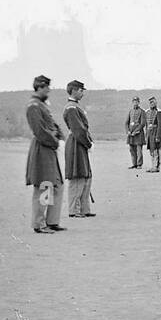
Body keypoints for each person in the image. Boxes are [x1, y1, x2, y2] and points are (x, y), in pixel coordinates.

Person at [26, 75, 66, 233]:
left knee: (56, 185)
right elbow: (40, 131)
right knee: (44, 186)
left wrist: (60, 138)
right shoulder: (34, 106)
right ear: (40, 87)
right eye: (46, 87)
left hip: (50, 149)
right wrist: (55, 142)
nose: (49, 90)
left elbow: (53, 125)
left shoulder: (40, 105)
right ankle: (39, 224)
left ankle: (51, 222)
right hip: (43, 149)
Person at [63, 80, 95, 218]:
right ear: (74, 90)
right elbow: (79, 130)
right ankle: (74, 210)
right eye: (81, 90)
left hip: (79, 143)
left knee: (85, 175)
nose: (83, 93)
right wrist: (89, 143)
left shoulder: (75, 107)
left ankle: (84, 209)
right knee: (78, 176)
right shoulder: (71, 108)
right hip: (76, 143)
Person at [144, 96, 161, 173]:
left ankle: (156, 167)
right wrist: (146, 135)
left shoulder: (159, 112)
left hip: (156, 132)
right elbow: (146, 125)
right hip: (150, 133)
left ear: (156, 103)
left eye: (153, 102)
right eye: (150, 102)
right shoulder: (147, 112)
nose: (151, 103)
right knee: (151, 150)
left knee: (156, 150)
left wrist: (158, 136)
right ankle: (153, 166)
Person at [125, 97, 146, 169]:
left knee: (139, 150)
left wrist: (136, 131)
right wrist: (127, 131)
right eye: (134, 101)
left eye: (137, 102)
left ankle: (139, 164)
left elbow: (143, 123)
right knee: (131, 149)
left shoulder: (142, 111)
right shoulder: (130, 111)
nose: (135, 103)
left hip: (138, 134)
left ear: (139, 102)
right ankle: (134, 164)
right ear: (132, 102)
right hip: (130, 134)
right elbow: (126, 123)